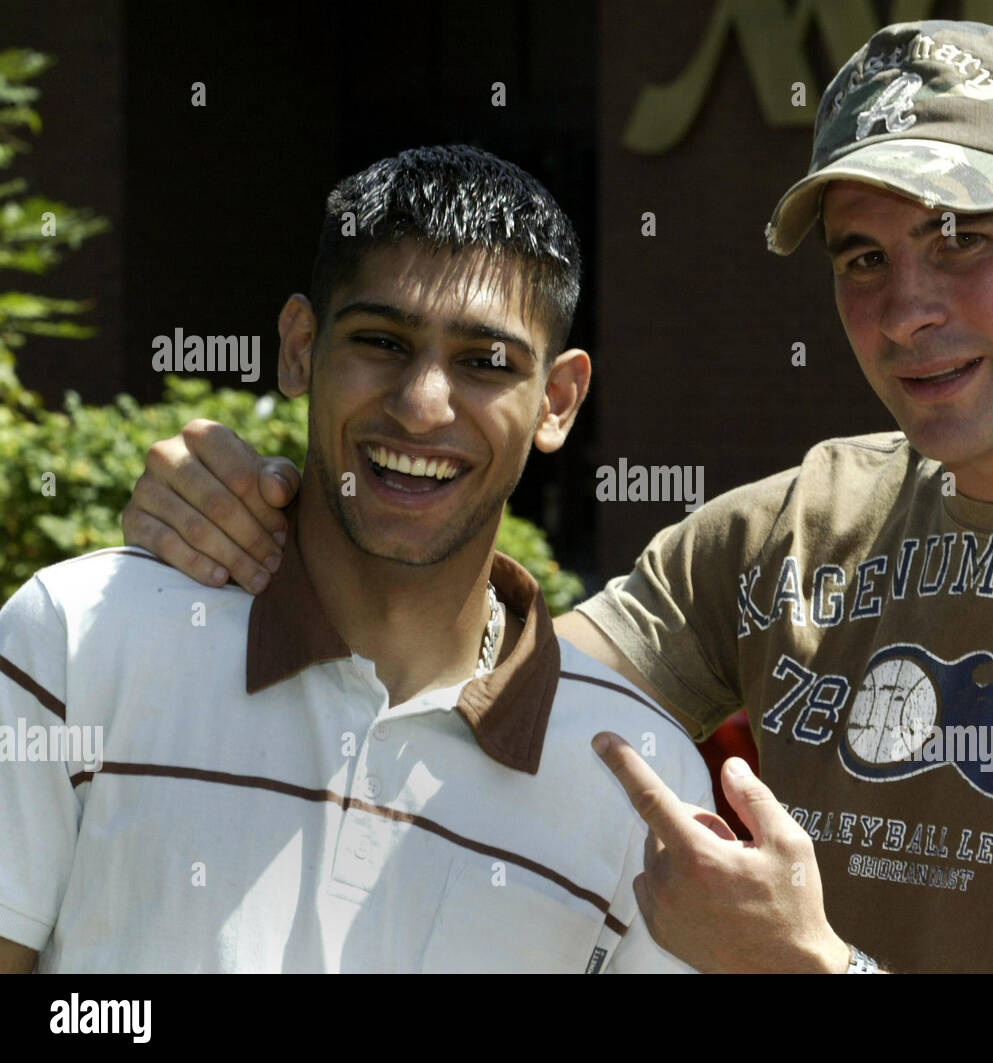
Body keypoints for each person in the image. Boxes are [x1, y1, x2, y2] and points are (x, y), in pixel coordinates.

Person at [119, 22, 993, 973]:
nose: (902, 312)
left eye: (958, 238)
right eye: (862, 258)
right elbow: (477, 695)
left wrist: (810, 967)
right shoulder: (797, 526)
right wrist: (253, 528)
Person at [0, 145, 715, 973]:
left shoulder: (641, 782)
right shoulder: (77, 639)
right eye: (382, 340)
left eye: (485, 362)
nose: (420, 407)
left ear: (556, 401)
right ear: (301, 347)